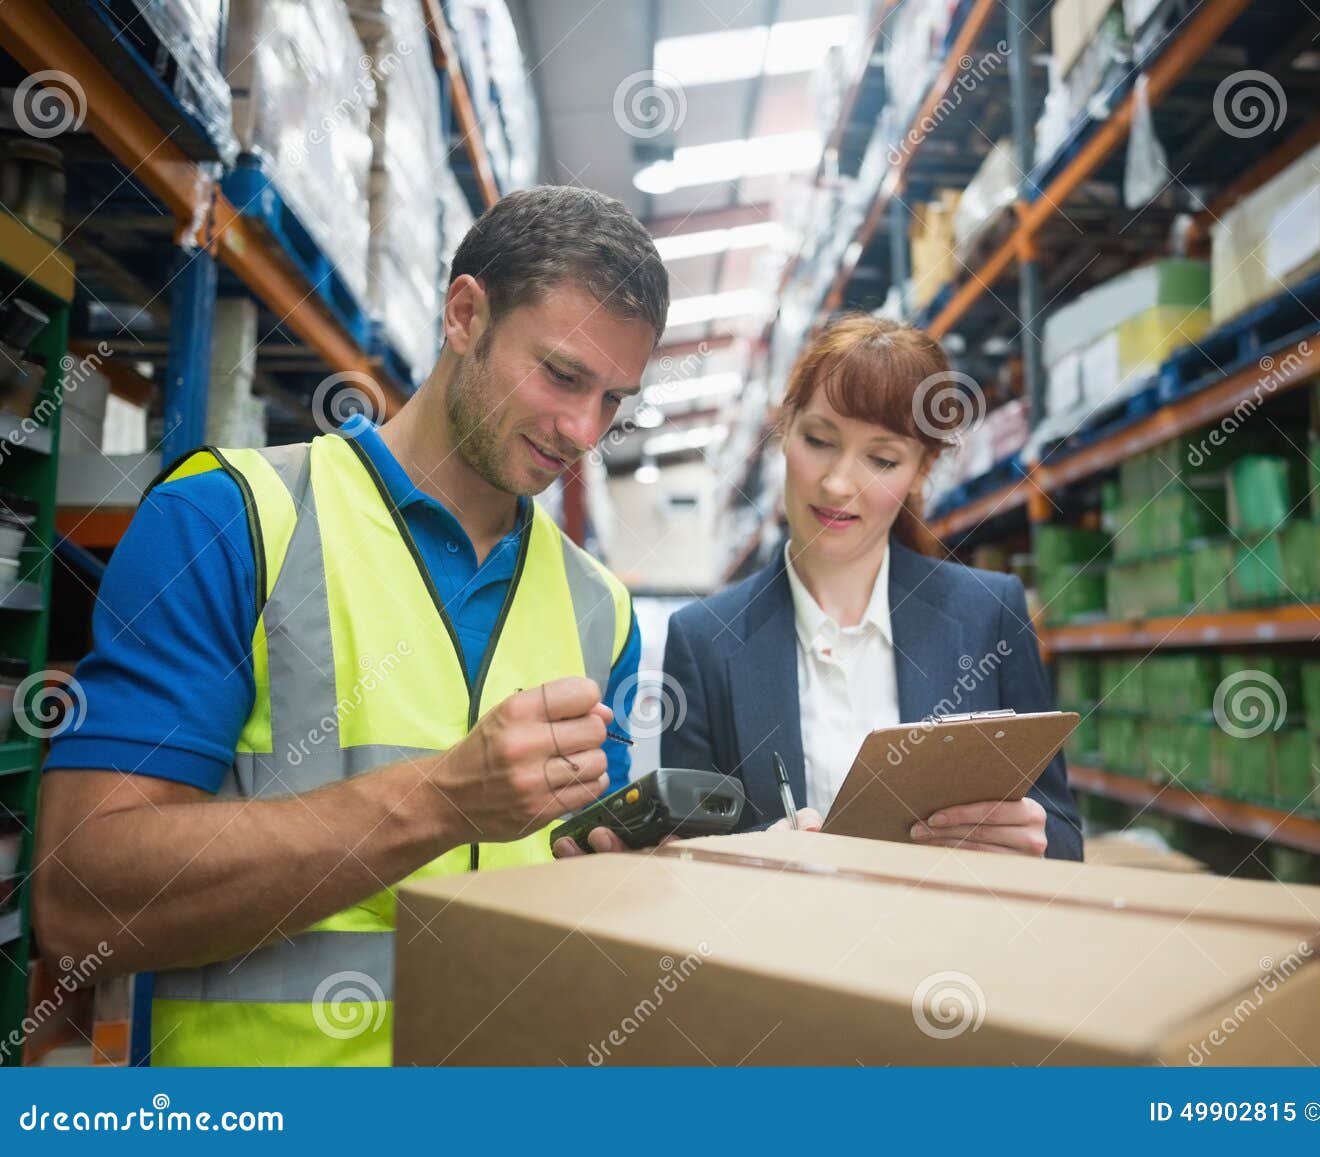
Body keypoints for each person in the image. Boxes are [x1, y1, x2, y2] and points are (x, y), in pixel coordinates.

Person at [33, 187, 671, 1065]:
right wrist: (442, 801)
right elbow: (80, 901)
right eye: (562, 375)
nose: (581, 430)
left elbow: (584, 887)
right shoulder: (233, 519)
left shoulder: (603, 609)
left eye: (615, 401)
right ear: (464, 313)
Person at [661, 316, 1083, 859]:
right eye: (818, 440)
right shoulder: (704, 641)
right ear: (783, 429)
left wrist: (1035, 842)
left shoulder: (988, 615)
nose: (837, 484)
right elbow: (681, 861)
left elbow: (1064, 837)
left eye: (882, 460)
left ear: (922, 468)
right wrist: (746, 859)